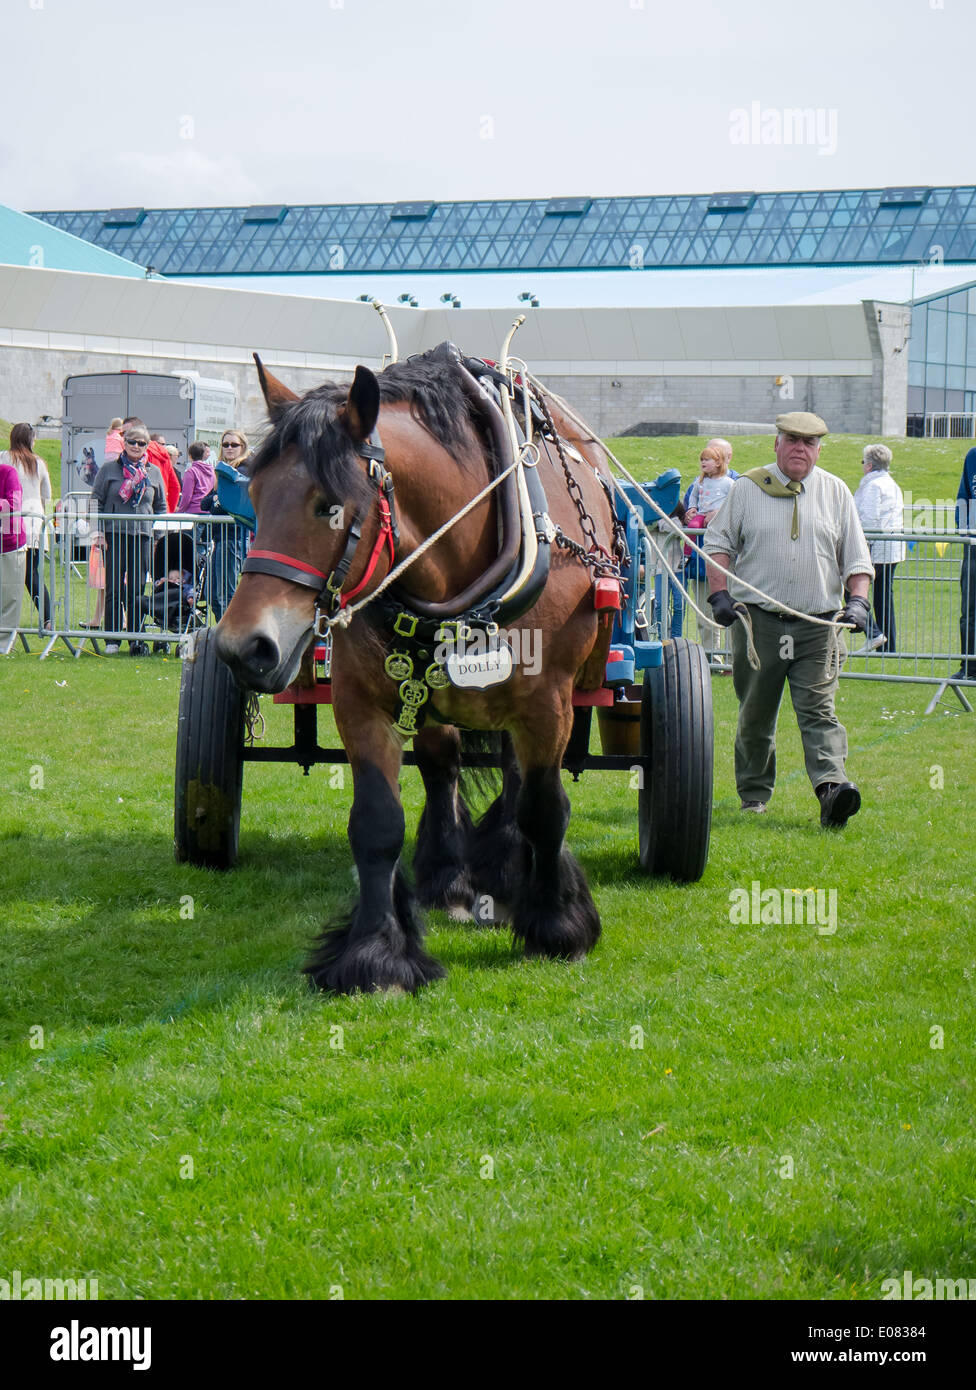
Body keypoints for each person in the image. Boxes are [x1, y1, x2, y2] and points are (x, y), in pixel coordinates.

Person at [703, 411, 874, 828]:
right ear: (776, 444)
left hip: (817, 625)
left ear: (818, 449)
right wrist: (719, 594)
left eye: (810, 442)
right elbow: (718, 543)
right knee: (756, 712)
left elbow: (856, 558)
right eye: (792, 440)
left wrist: (858, 602)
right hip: (758, 622)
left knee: (819, 710)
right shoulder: (746, 489)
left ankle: (832, 790)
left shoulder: (836, 491)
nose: (801, 448)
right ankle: (754, 796)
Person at [90, 423, 167, 653]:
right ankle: (112, 638)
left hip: (142, 536)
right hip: (113, 535)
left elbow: (161, 506)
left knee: (136, 589)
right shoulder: (108, 469)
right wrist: (98, 532)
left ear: (147, 447)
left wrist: (158, 537)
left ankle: (136, 636)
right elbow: (96, 501)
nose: (136, 446)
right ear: (124, 443)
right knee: (113, 587)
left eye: (141, 443)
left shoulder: (153, 472)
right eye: (132, 441)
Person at [685, 440, 736, 664]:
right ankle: (711, 658)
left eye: (717, 454)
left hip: (731, 564)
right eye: (706, 454)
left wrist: (721, 512)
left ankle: (736, 659)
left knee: (735, 611)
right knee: (705, 614)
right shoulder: (698, 482)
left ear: (727, 457)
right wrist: (689, 512)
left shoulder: (737, 483)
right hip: (701, 560)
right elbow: (688, 509)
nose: (708, 458)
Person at [852, 443, 904, 654]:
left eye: (864, 461)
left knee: (853, 589)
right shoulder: (891, 483)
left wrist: (863, 546)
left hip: (877, 548)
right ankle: (887, 646)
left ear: (869, 465)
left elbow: (869, 519)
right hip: (892, 549)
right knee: (883, 598)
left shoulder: (873, 486)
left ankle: (873, 633)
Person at [2, 423, 52, 627]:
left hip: (11, 523)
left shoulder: (4, 458)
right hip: (34, 523)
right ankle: (48, 617)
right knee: (32, 573)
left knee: (9, 574)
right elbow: (46, 496)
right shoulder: (38, 462)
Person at [203, 429, 251, 619]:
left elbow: (230, 504)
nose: (229, 448)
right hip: (220, 539)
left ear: (242, 447)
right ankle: (223, 635)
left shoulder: (244, 470)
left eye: (234, 444)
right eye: (226, 444)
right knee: (213, 596)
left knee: (226, 595)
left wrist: (217, 499)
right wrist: (217, 498)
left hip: (233, 538)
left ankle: (230, 639)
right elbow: (205, 503)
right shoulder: (222, 470)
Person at [950, 445, 976, 682]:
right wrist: (964, 531)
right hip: (974, 546)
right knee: (969, 610)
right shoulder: (972, 456)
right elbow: (964, 495)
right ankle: (969, 667)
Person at [121, 417, 179, 513]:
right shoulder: (163, 453)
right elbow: (175, 487)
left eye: (126, 433)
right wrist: (169, 511)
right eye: (122, 434)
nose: (123, 437)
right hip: (159, 513)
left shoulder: (142, 455)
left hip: (146, 512)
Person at [0, 454, 26, 639]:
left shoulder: (9, 473)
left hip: (10, 543)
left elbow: (14, 503)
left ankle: (4, 642)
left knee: (10, 595)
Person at [178, 441, 216, 514]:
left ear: (190, 455)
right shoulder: (212, 471)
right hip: (208, 510)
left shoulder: (191, 472)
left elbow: (187, 496)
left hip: (193, 511)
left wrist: (180, 511)